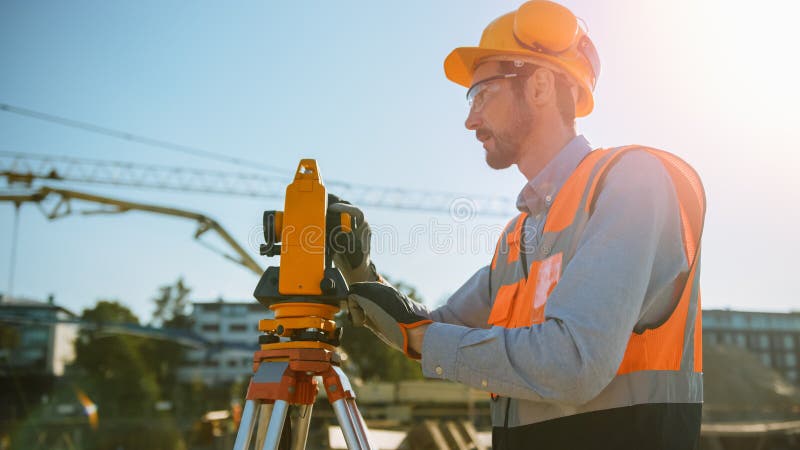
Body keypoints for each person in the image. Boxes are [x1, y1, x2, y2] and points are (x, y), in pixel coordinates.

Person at [331, 1, 706, 448]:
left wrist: (422, 336)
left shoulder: (631, 181)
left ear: (541, 86)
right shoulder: (517, 239)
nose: (470, 119)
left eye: (481, 94)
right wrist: (362, 272)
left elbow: (574, 363)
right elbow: (431, 330)